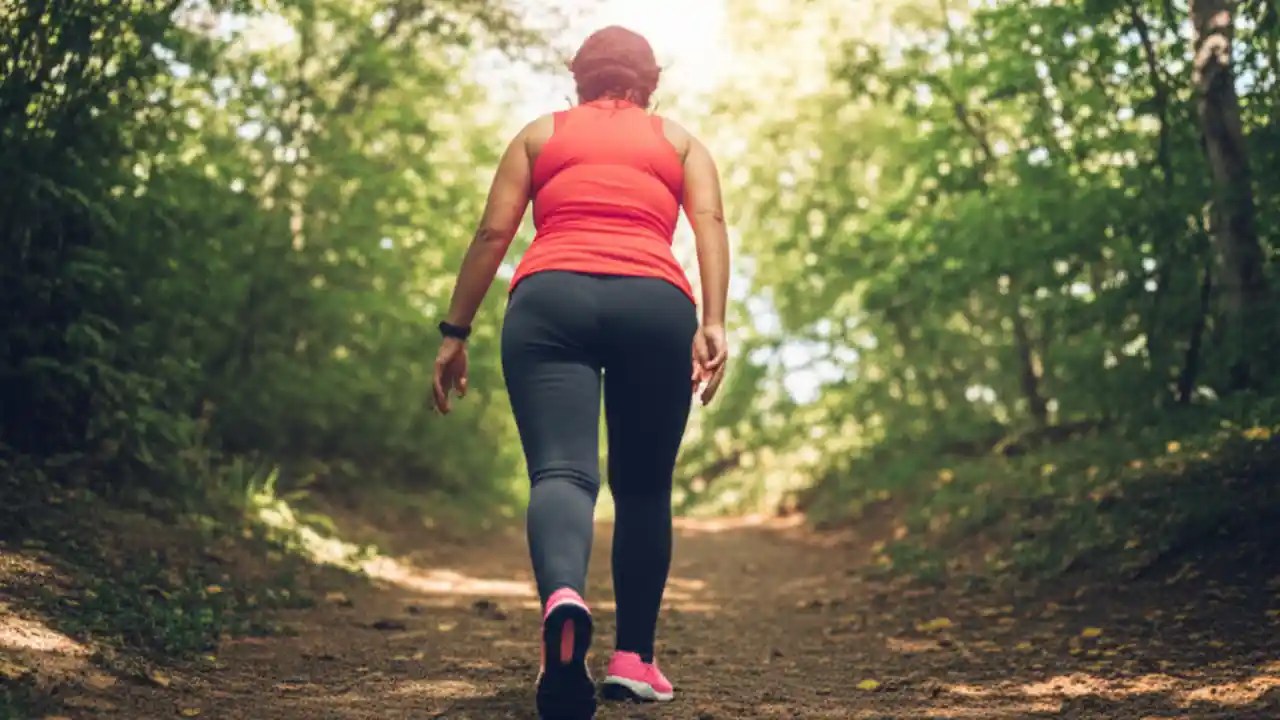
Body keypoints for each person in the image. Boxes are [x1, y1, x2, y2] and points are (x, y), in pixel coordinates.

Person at [430, 25, 730, 720]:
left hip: (549, 301)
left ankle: (563, 599)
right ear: (648, 80)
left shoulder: (540, 135)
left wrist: (455, 331)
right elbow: (710, 221)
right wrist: (713, 320)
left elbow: (493, 234)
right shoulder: (679, 141)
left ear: (580, 77)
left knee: (562, 474)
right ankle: (634, 661)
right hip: (654, 305)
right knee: (644, 487)